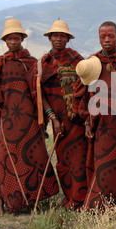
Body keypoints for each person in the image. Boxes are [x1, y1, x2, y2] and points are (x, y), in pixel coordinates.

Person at [0, 18, 59, 216]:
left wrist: (47, 117)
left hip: (28, 119)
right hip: (7, 118)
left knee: (31, 156)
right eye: (9, 39)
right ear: (5, 41)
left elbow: (38, 92)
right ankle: (0, 201)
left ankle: (30, 199)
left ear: (22, 39)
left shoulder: (31, 63)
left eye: (16, 38)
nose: (13, 42)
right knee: (4, 159)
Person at [74, 21, 116, 210]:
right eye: (102, 36)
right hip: (102, 123)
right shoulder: (93, 62)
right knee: (103, 164)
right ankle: (99, 206)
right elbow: (84, 92)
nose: (107, 39)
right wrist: (88, 120)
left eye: (111, 36)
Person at [27, 19, 88, 210]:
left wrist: (83, 114)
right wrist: (52, 117)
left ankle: (80, 200)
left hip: (76, 118)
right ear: (50, 38)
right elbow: (40, 93)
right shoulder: (43, 63)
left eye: (63, 36)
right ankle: (69, 198)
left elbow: (87, 86)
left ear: (68, 39)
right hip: (58, 120)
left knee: (79, 159)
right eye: (56, 36)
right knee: (63, 160)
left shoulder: (78, 60)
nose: (59, 39)